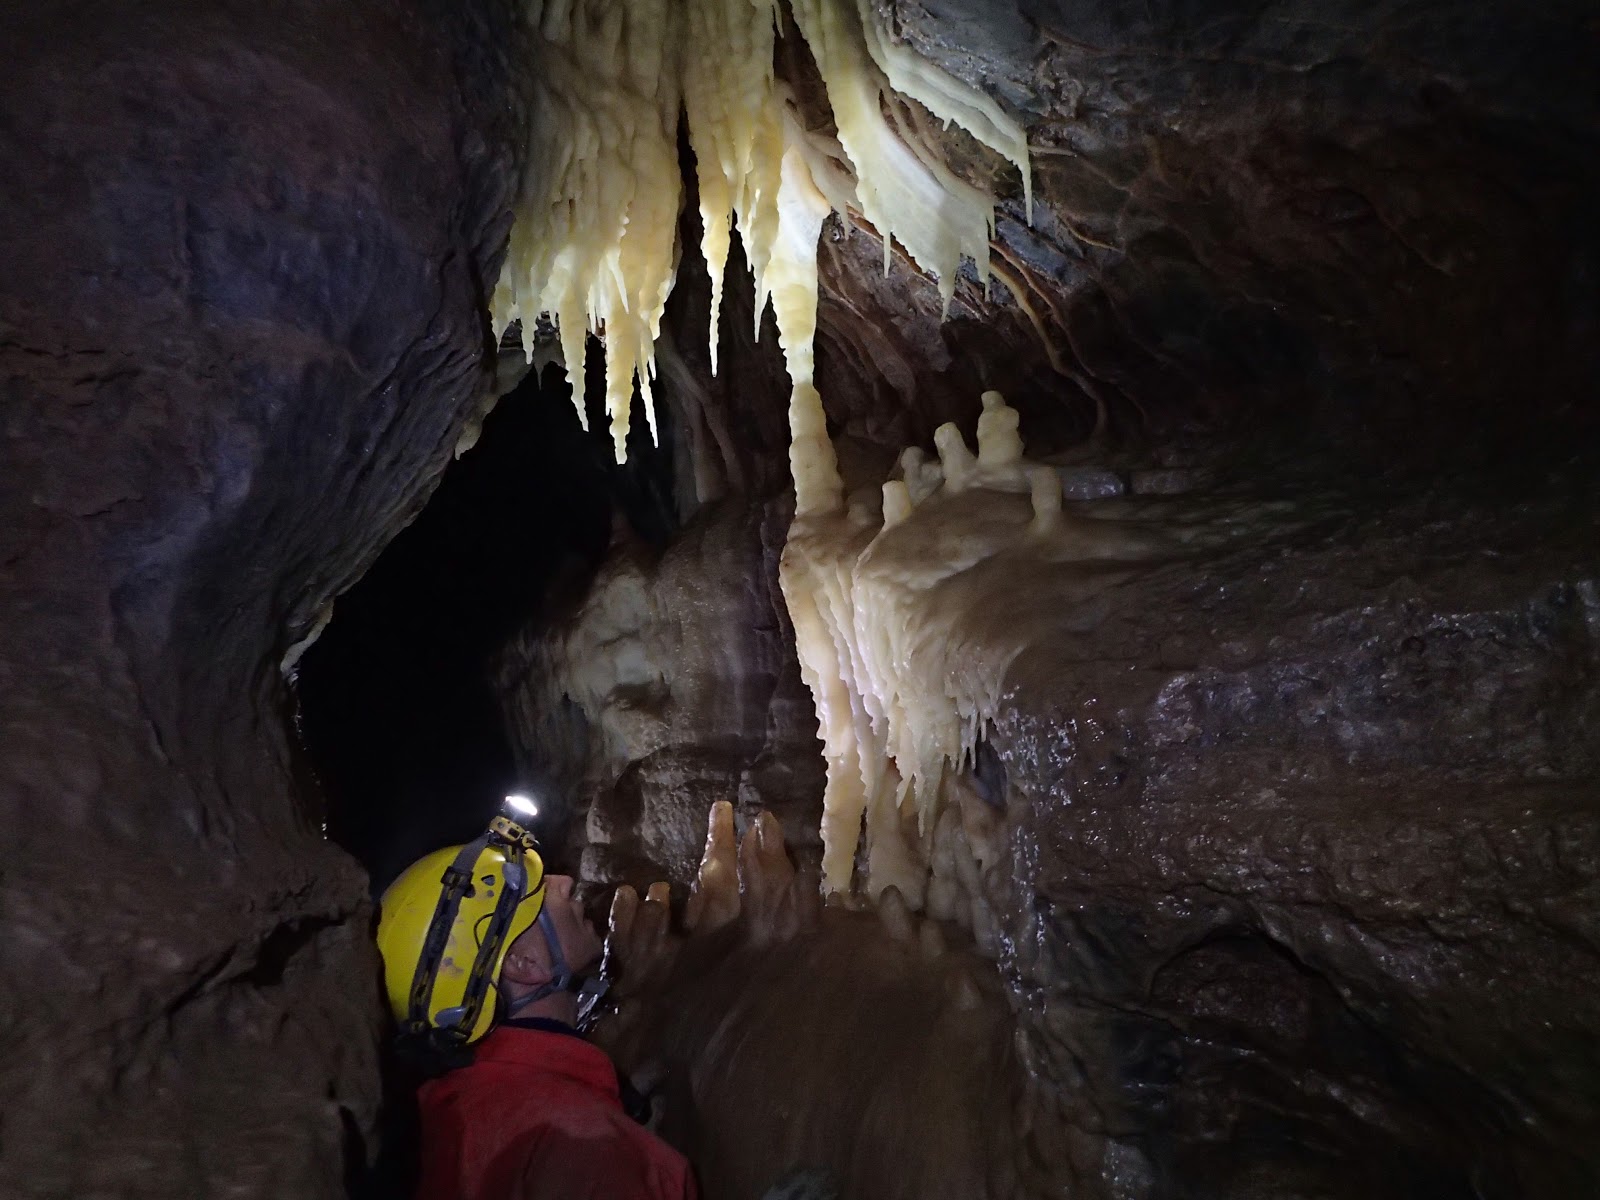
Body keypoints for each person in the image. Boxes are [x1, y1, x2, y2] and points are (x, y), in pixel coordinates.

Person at [376, 805, 697, 1200]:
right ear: (524, 963)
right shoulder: (587, 1149)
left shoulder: (445, 1108)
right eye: (536, 894)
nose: (563, 882)